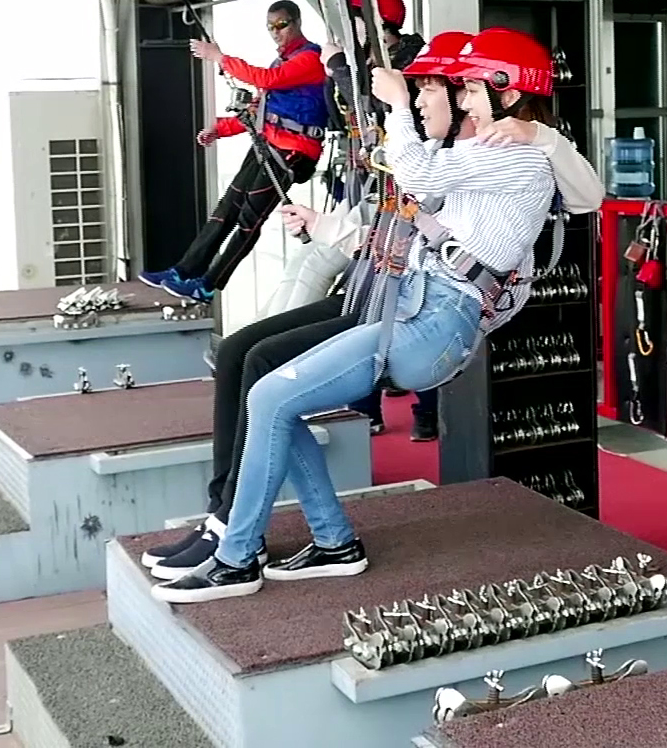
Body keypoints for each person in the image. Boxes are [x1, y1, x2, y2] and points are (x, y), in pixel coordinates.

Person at [144, 33, 602, 581]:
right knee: (270, 394)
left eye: (466, 90)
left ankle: (235, 554)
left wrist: (400, 108)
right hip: (415, 308)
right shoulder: (480, 158)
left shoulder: (515, 158)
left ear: (506, 94)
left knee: (267, 393)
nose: (457, 99)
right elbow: (412, 230)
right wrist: (330, 222)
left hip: (430, 320)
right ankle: (325, 542)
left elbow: (429, 180)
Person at [139, 0, 326, 303]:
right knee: (227, 208)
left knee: (249, 218)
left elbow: (267, 80)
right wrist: (220, 129)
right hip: (268, 144)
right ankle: (184, 271)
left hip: (292, 151)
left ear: (297, 22)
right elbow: (259, 111)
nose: (276, 32)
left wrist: (220, 58)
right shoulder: (282, 62)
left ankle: (208, 285)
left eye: (282, 25)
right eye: (271, 27)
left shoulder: (309, 59)